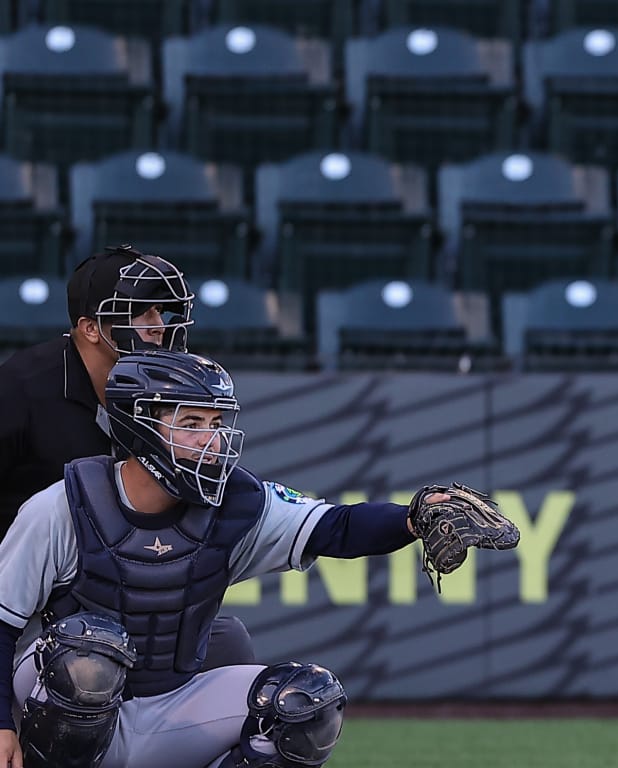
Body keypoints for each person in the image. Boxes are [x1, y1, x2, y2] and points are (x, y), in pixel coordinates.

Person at [0, 349, 519, 767]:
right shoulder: (62, 506)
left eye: (216, 422)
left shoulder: (235, 503)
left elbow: (334, 527)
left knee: (305, 703)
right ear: (139, 427)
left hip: (169, 702)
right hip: (55, 709)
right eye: (192, 422)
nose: (213, 441)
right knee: (89, 659)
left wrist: (414, 516)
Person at [0, 245, 260, 671]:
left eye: (161, 312)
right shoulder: (20, 389)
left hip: (122, 596)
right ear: (89, 328)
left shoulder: (166, 391)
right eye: (140, 313)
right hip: (27, 604)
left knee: (228, 643)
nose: (159, 327)